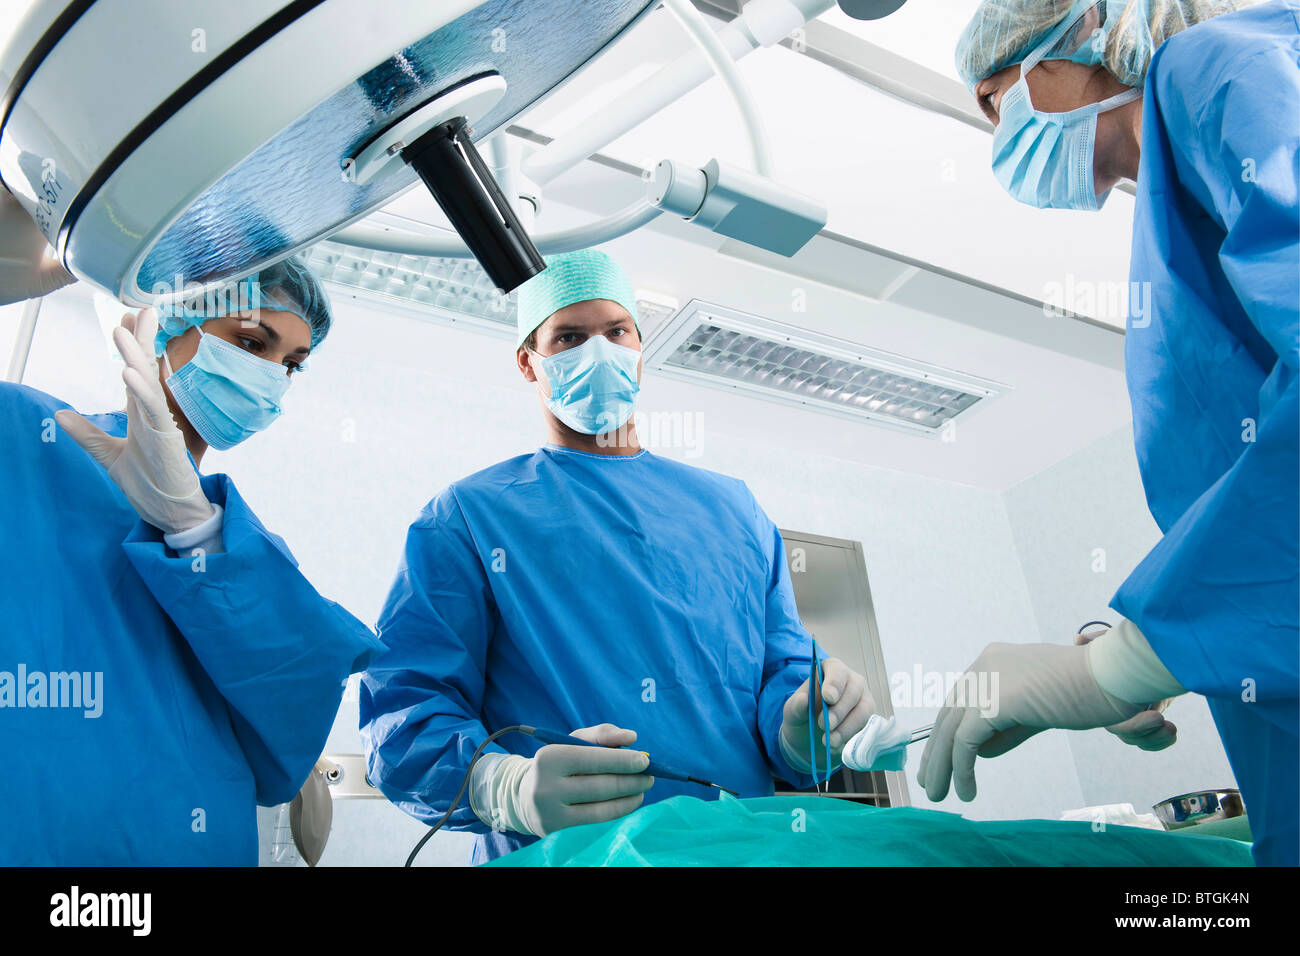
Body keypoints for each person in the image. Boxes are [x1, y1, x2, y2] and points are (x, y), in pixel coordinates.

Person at [919, 0, 1298, 865]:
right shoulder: (1177, 230)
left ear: (1074, 42)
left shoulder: (1218, 71)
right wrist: (1141, 650)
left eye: (993, 102)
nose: (996, 143)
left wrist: (1117, 669)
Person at [360, 248, 876, 863]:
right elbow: (407, 707)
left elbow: (782, 671)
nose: (598, 351)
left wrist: (802, 723)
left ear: (639, 347)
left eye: (616, 331)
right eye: (570, 338)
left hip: (738, 847)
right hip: (568, 854)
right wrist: (504, 786)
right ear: (529, 363)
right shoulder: (470, 516)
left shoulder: (734, 510)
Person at [0, 204, 384, 864]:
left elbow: (283, 745)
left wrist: (194, 531)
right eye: (253, 342)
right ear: (166, 321)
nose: (272, 378)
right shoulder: (24, 439)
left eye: (292, 363)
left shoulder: (239, 548)